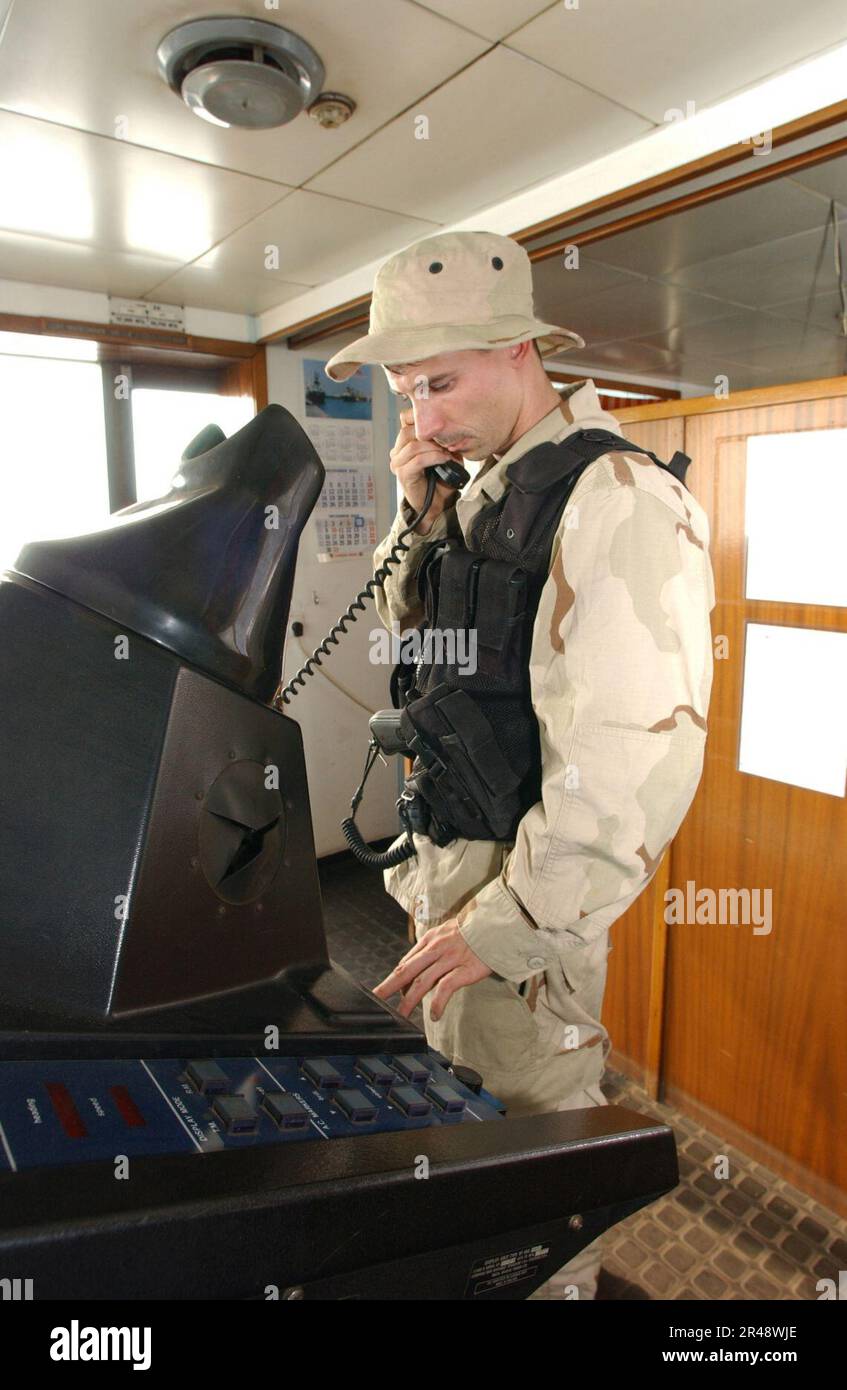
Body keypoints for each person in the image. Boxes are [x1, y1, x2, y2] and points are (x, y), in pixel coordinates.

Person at [325, 230, 715, 1300]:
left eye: (440, 384)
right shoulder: (476, 494)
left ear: (520, 351)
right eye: (407, 394)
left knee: (534, 1175)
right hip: (448, 886)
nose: (423, 420)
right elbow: (414, 650)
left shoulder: (618, 497)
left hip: (523, 919)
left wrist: (505, 925)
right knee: (460, 1144)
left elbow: (636, 752)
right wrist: (415, 515)